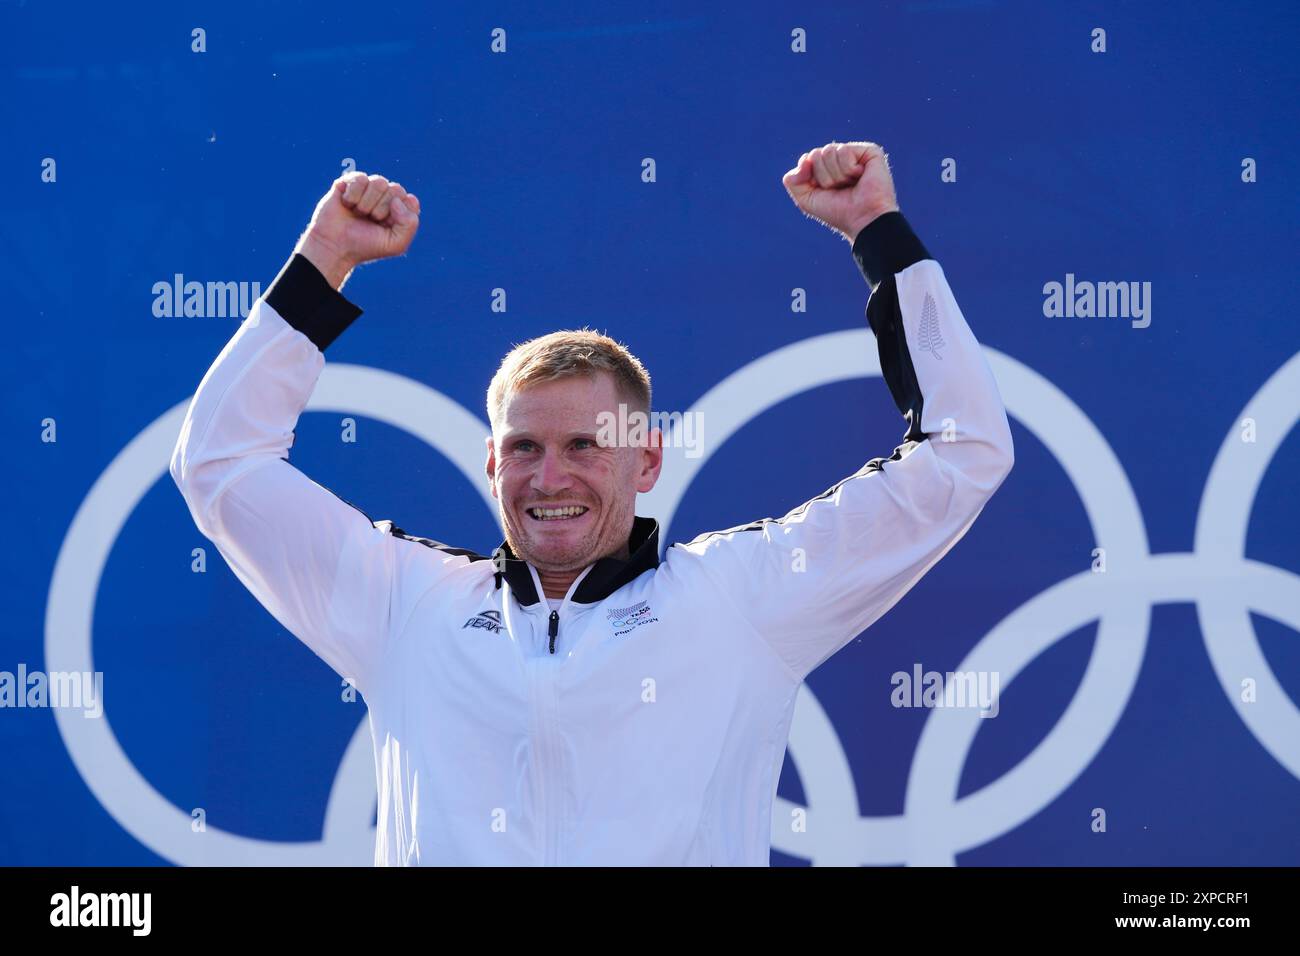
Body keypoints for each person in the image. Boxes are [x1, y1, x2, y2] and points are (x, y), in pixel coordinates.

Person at [169, 141, 1014, 865]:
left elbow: (964, 452)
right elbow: (219, 460)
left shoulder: (742, 595)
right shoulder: (402, 603)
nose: (551, 478)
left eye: (585, 447)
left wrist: (881, 236)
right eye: (526, 449)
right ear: (491, 462)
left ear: (645, 460)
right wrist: (324, 260)